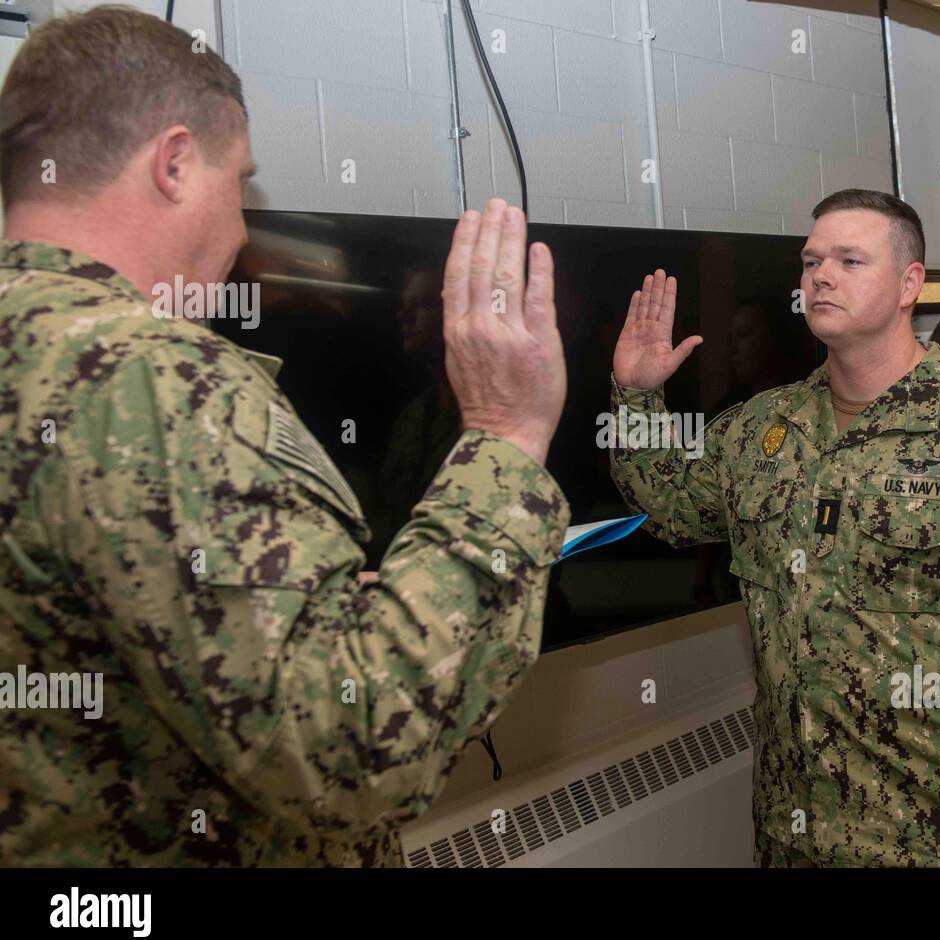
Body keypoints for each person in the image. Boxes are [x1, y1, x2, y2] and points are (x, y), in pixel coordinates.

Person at [0, 8, 568, 865]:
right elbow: (350, 747)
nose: (240, 227)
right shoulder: (153, 379)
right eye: (241, 180)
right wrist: (506, 433)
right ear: (176, 161)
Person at [609, 188, 940, 867]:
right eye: (811, 261)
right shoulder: (760, 432)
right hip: (797, 833)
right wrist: (636, 395)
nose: (821, 275)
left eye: (850, 259)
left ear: (909, 283)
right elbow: (669, 507)